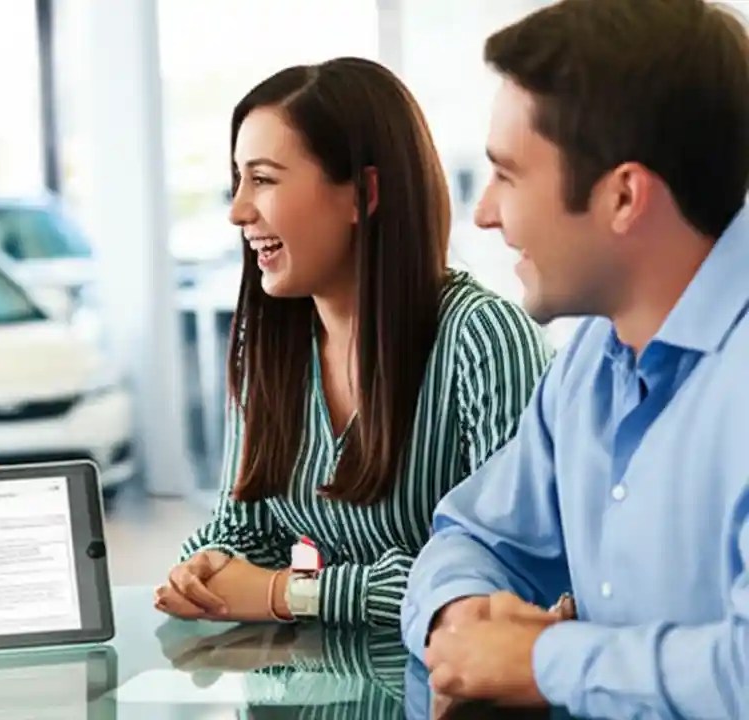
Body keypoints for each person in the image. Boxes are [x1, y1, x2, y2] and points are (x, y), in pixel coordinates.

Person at [401, 0, 749, 716]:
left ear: (623, 196)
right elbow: (475, 533)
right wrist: (462, 622)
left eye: (507, 175)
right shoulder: (594, 354)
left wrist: (541, 661)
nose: (484, 213)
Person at [154, 59, 551, 628]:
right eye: (237, 180)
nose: (238, 211)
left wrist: (290, 594)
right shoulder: (266, 345)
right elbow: (243, 531)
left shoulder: (482, 339)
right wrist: (204, 570)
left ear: (362, 193)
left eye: (263, 179)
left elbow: (507, 581)